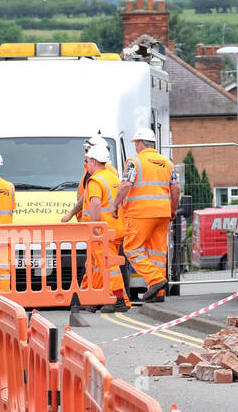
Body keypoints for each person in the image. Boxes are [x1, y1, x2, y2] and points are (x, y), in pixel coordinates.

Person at [111, 126, 178, 302]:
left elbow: (126, 185)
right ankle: (158, 293)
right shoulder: (167, 163)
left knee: (132, 248)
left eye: (136, 143)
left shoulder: (135, 161)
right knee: (157, 252)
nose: (135, 147)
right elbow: (175, 188)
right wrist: (173, 209)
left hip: (140, 213)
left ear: (140, 144)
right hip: (163, 213)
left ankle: (156, 280)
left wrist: (115, 204)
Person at [74, 142, 129, 311]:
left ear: (94, 162)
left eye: (88, 161)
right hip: (116, 227)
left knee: (108, 264)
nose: (87, 164)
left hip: (102, 229)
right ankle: (94, 298)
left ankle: (119, 299)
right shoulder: (112, 176)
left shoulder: (95, 180)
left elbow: (96, 204)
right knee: (97, 265)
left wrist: (95, 227)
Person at [62, 134, 107, 223]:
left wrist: (71, 213)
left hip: (96, 225)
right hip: (88, 222)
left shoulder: (100, 172)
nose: (85, 153)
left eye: (87, 150)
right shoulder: (91, 170)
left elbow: (91, 198)